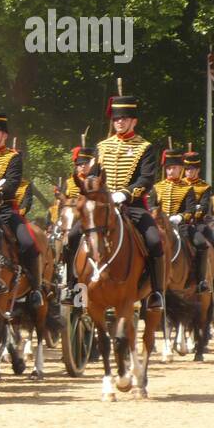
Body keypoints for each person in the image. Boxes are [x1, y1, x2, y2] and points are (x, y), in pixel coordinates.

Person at [63, 87, 164, 309]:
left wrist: (125, 194)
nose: (119, 122)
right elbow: (94, 174)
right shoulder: (103, 146)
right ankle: (72, 287)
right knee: (71, 236)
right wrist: (90, 188)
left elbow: (146, 179)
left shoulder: (145, 147)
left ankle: (156, 293)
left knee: (155, 241)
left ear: (134, 121)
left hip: (133, 206)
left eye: (124, 118)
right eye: (116, 118)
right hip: (102, 205)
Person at [0, 106, 42, 307]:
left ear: (4, 135)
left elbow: (12, 185)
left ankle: (35, 288)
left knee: (28, 244)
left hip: (4, 210)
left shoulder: (13, 157)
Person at [152, 150, 208, 292]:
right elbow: (152, 206)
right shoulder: (157, 187)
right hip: (159, 225)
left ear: (181, 169)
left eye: (174, 168)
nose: (171, 171)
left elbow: (190, 211)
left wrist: (181, 217)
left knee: (201, 244)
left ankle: (200, 280)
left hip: (180, 226)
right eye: (169, 168)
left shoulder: (188, 188)